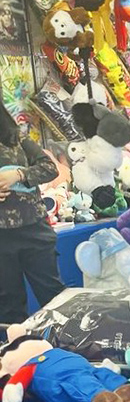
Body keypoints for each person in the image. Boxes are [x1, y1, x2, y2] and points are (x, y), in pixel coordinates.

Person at [0, 101, 63, 325]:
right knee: (9, 305)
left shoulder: (16, 137)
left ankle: (66, 350)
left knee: (53, 296)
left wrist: (19, 174)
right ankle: (14, 355)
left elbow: (50, 168)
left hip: (34, 229)